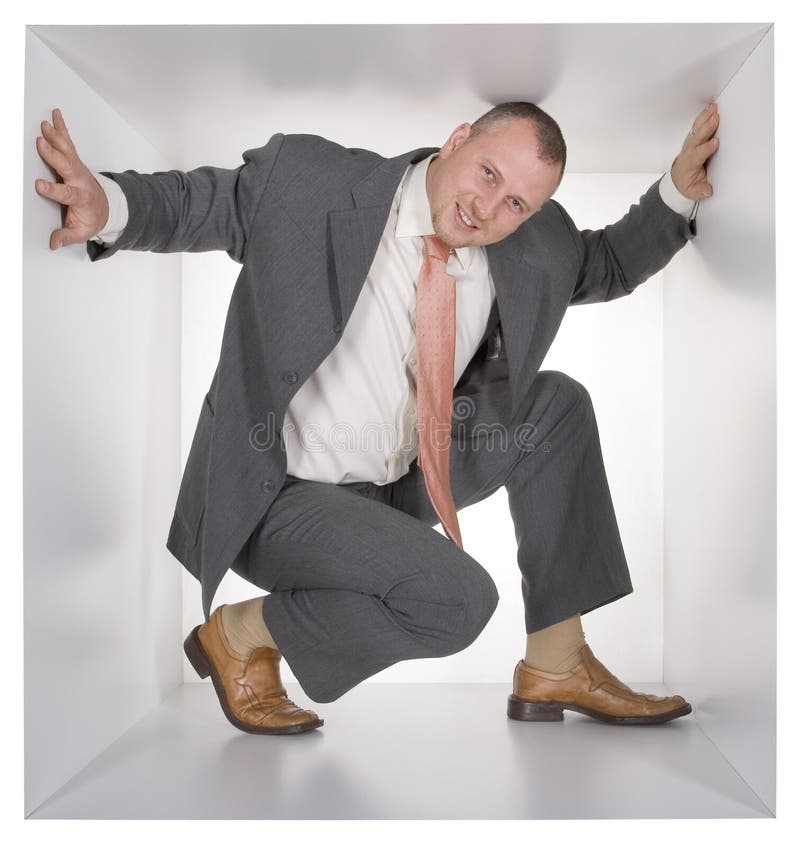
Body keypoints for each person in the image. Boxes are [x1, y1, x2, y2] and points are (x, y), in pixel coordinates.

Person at [34, 100, 719, 735]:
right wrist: (110, 204)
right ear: (456, 141)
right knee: (459, 601)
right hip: (278, 498)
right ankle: (241, 633)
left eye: (516, 202)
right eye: (486, 173)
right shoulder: (313, 182)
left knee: (555, 407)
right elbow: (199, 203)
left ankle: (557, 661)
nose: (487, 208)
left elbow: (603, 261)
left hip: (401, 484)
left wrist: (678, 189)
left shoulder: (531, 244)